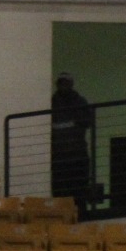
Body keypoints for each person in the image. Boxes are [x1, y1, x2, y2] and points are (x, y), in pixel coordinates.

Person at [50, 71, 93, 200]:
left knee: (79, 189)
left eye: (66, 83)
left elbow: (88, 121)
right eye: (61, 83)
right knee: (59, 191)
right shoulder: (51, 102)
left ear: (71, 84)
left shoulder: (79, 102)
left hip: (77, 154)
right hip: (59, 155)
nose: (63, 85)